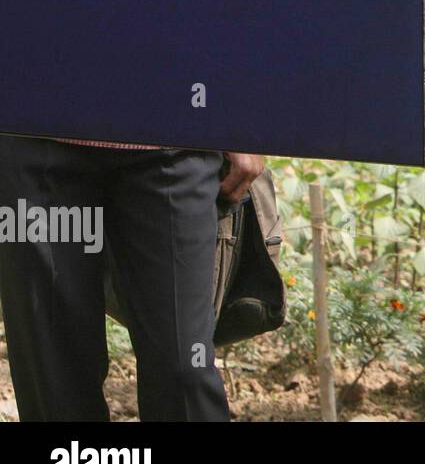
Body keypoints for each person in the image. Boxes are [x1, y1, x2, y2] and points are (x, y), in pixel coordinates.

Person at [0, 137, 264, 420]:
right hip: (33, 134)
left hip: (175, 138)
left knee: (185, 369)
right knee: (54, 379)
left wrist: (241, 126)